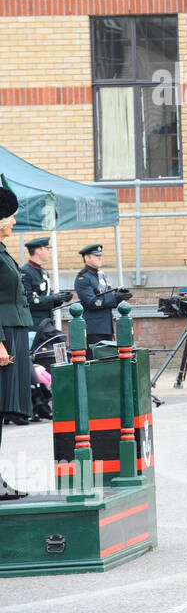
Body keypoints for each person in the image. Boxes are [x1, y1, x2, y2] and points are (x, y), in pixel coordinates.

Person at [1, 184, 35, 497]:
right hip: (4, 336)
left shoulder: (3, 251)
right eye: (10, 217)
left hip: (14, 331)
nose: (14, 222)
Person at [74, 243, 131, 344]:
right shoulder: (83, 278)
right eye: (96, 256)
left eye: (100, 255)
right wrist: (115, 298)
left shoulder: (101, 275)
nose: (100, 258)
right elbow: (91, 302)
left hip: (106, 326)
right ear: (87, 258)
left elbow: (106, 297)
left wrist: (119, 296)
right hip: (94, 328)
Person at [20, 236, 73, 338]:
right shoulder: (25, 271)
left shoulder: (43, 272)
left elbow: (45, 298)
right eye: (47, 249)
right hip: (33, 326)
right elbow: (28, 300)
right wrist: (53, 298)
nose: (49, 252)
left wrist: (59, 299)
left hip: (46, 324)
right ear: (39, 251)